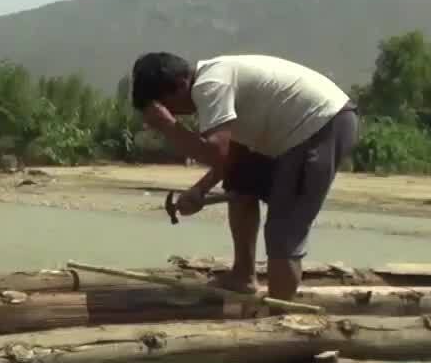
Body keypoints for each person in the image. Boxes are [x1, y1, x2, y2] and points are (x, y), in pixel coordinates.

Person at [129, 53, 359, 300]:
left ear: (181, 85)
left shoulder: (210, 86)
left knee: (283, 232)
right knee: (241, 182)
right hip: (295, 130)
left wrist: (169, 127)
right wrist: (201, 189)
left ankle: (280, 319)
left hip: (320, 124)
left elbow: (216, 153)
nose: (180, 114)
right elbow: (233, 155)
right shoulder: (214, 81)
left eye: (171, 106)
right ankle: (244, 275)